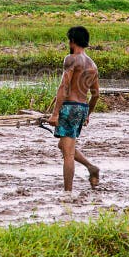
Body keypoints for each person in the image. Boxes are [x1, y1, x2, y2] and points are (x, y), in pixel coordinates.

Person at [47, 26, 101, 192]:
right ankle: (91, 167)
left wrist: (55, 114)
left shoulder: (71, 59)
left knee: (68, 154)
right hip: (82, 107)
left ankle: (67, 194)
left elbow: (64, 86)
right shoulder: (92, 65)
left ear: (73, 41)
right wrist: (87, 114)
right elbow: (96, 95)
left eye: (69, 40)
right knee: (63, 146)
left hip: (69, 108)